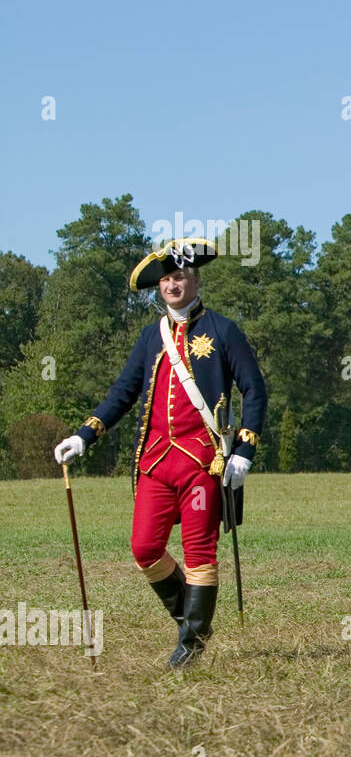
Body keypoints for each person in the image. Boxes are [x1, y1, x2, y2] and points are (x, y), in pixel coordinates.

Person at [53, 238, 267, 668]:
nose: (173, 284)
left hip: (202, 461)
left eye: (180, 276)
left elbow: (254, 389)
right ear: (159, 287)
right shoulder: (151, 337)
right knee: (144, 548)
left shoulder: (222, 330)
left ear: (195, 279)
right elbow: (123, 392)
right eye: (166, 279)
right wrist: (84, 435)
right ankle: (191, 618)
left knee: (199, 551)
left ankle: (192, 641)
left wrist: (244, 448)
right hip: (154, 462)